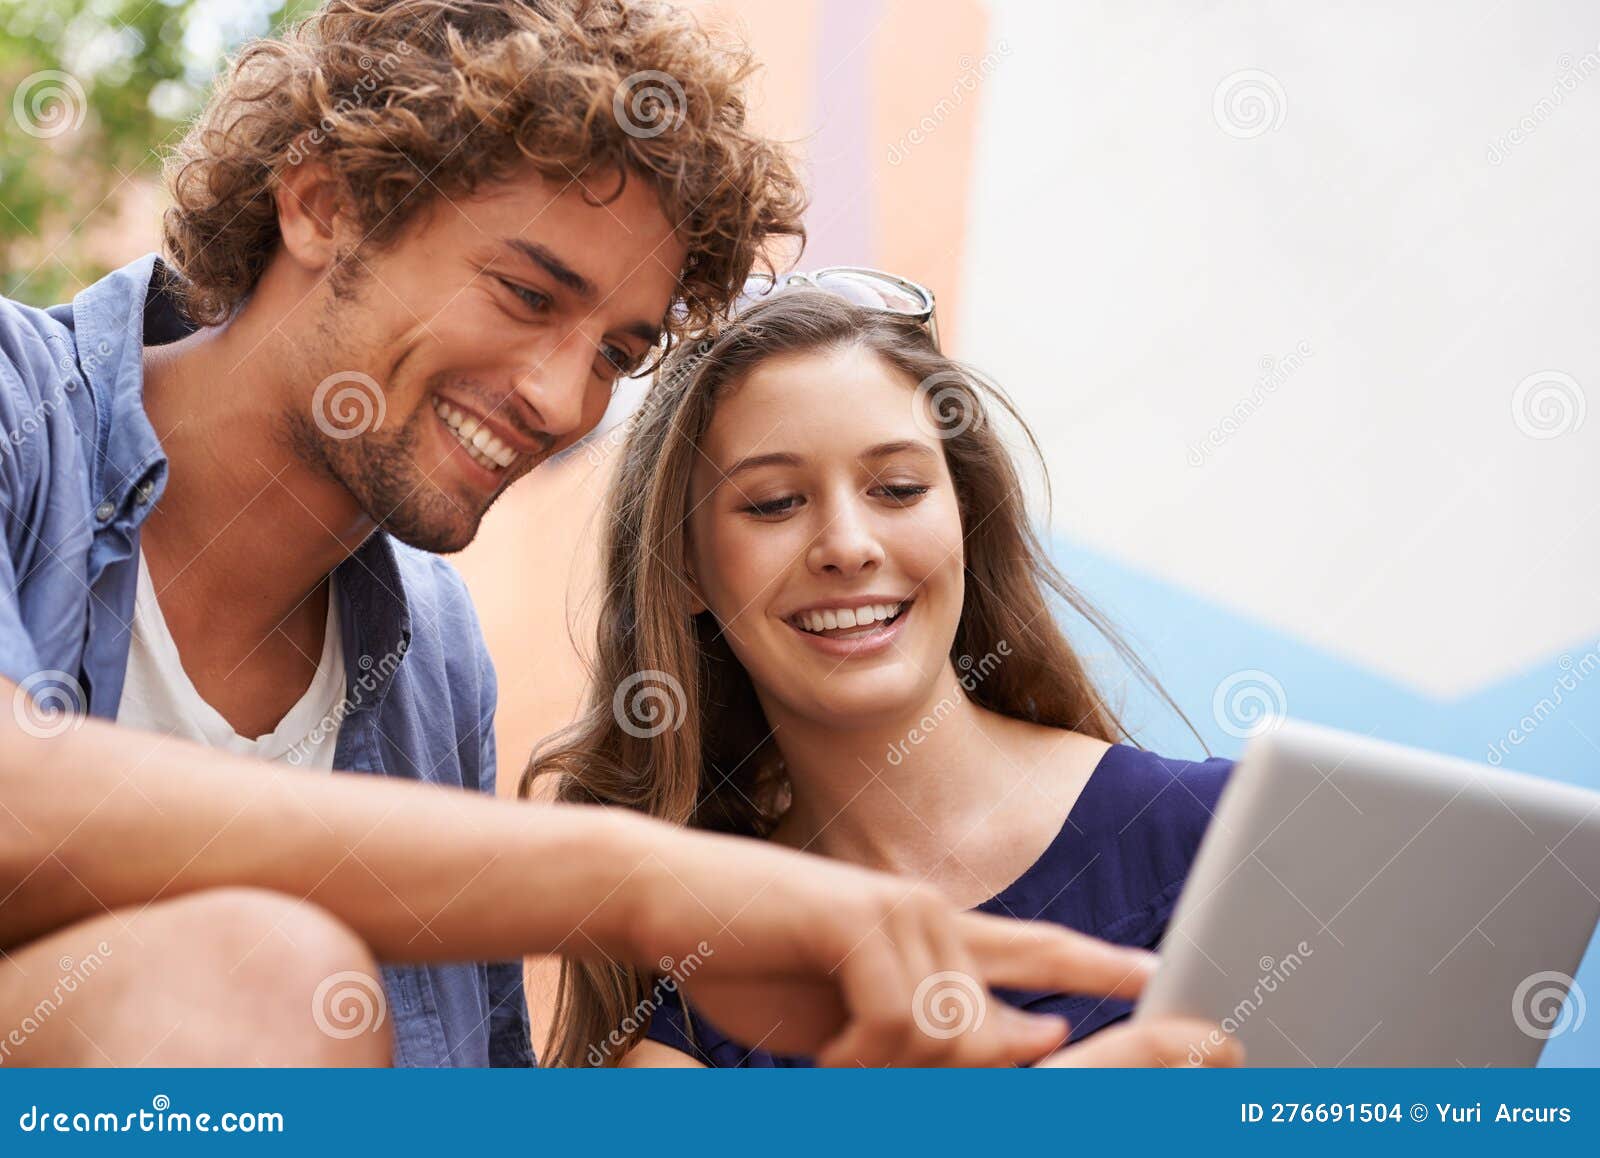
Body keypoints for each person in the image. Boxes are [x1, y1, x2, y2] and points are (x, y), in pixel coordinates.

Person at [0, 1, 1168, 1069]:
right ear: (323, 205)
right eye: (526, 294)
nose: (563, 403)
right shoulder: (19, 411)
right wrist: (640, 884)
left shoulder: (428, 655)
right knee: (263, 973)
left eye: (615, 352)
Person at [526, 276, 1241, 1067]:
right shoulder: (688, 1040)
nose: (848, 545)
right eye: (773, 502)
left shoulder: (1240, 837)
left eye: (898, 489)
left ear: (964, 513)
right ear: (686, 569)